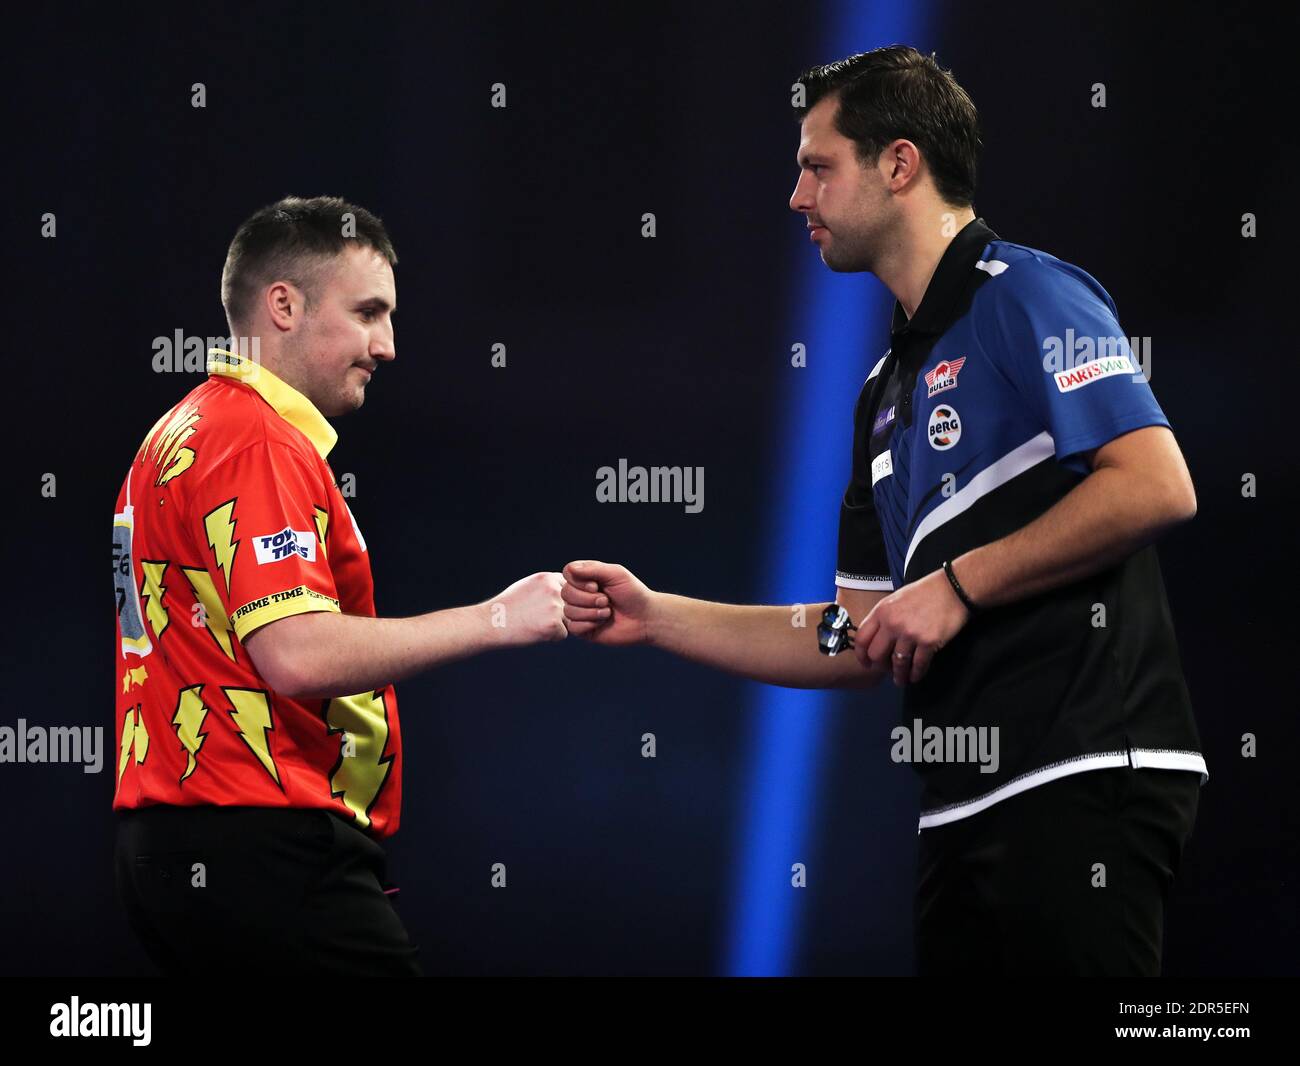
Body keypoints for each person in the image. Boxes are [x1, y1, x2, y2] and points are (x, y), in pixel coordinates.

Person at [561, 46, 1207, 975]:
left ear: (899, 165)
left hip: (1085, 774)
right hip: (958, 812)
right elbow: (855, 633)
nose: (796, 196)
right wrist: (660, 617)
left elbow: (1156, 483)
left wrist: (957, 584)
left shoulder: (1028, 293)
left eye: (817, 165)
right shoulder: (881, 394)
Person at [112, 195, 568, 976]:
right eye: (367, 313)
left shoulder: (177, 434)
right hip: (264, 844)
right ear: (283, 305)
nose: (386, 346)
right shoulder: (256, 440)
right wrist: (500, 618)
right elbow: (297, 654)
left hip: (179, 846)